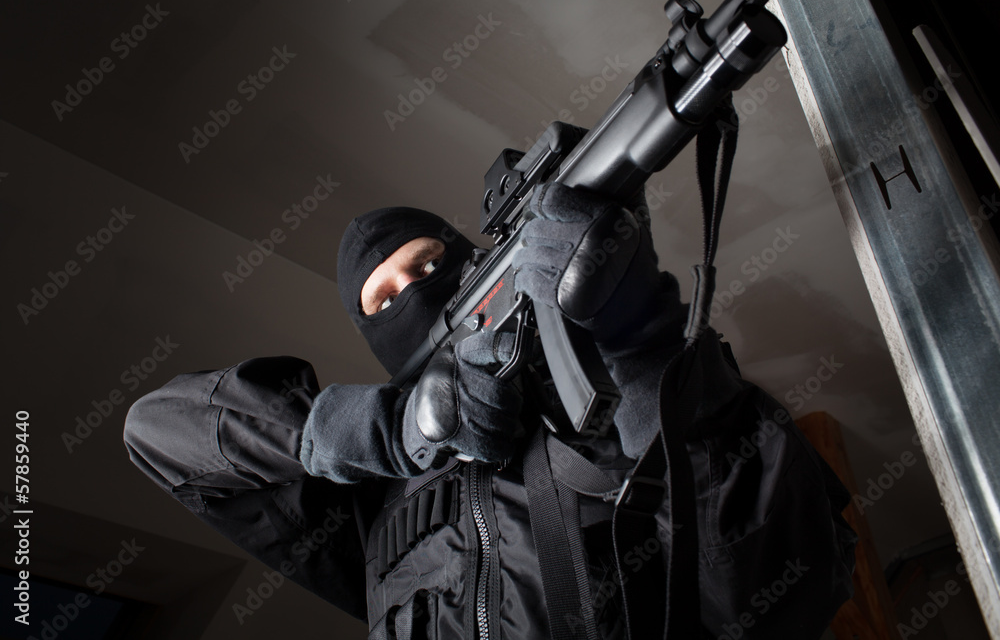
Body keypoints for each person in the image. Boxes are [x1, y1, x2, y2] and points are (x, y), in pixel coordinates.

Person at [124, 182, 855, 638]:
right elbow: (158, 431)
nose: (412, 290)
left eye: (428, 262)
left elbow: (779, 599)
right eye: (383, 298)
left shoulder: (603, 400)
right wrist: (396, 432)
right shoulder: (366, 509)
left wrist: (641, 346)